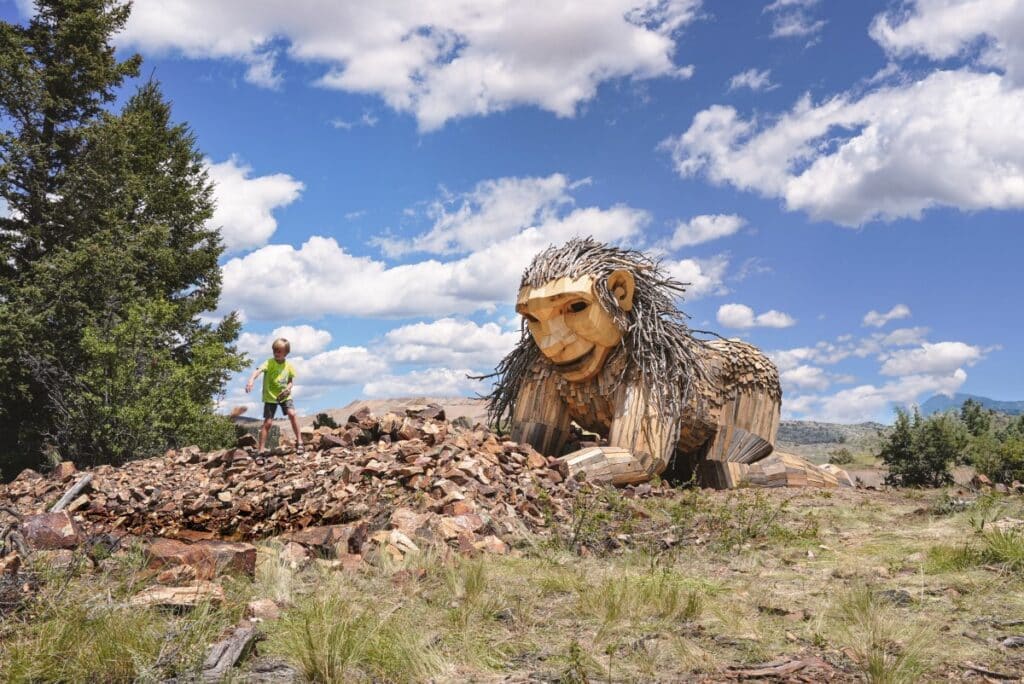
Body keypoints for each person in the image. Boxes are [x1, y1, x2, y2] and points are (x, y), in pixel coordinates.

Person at [245, 338, 304, 454]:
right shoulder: (269, 363)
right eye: (274, 351)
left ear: (286, 353)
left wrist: (288, 388)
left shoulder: (288, 366)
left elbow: (290, 381)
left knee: (292, 414)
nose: (276, 353)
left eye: (279, 351)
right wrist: (251, 380)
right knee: (268, 423)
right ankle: (261, 450)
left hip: (284, 396)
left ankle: (300, 442)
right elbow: (258, 371)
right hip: (270, 397)